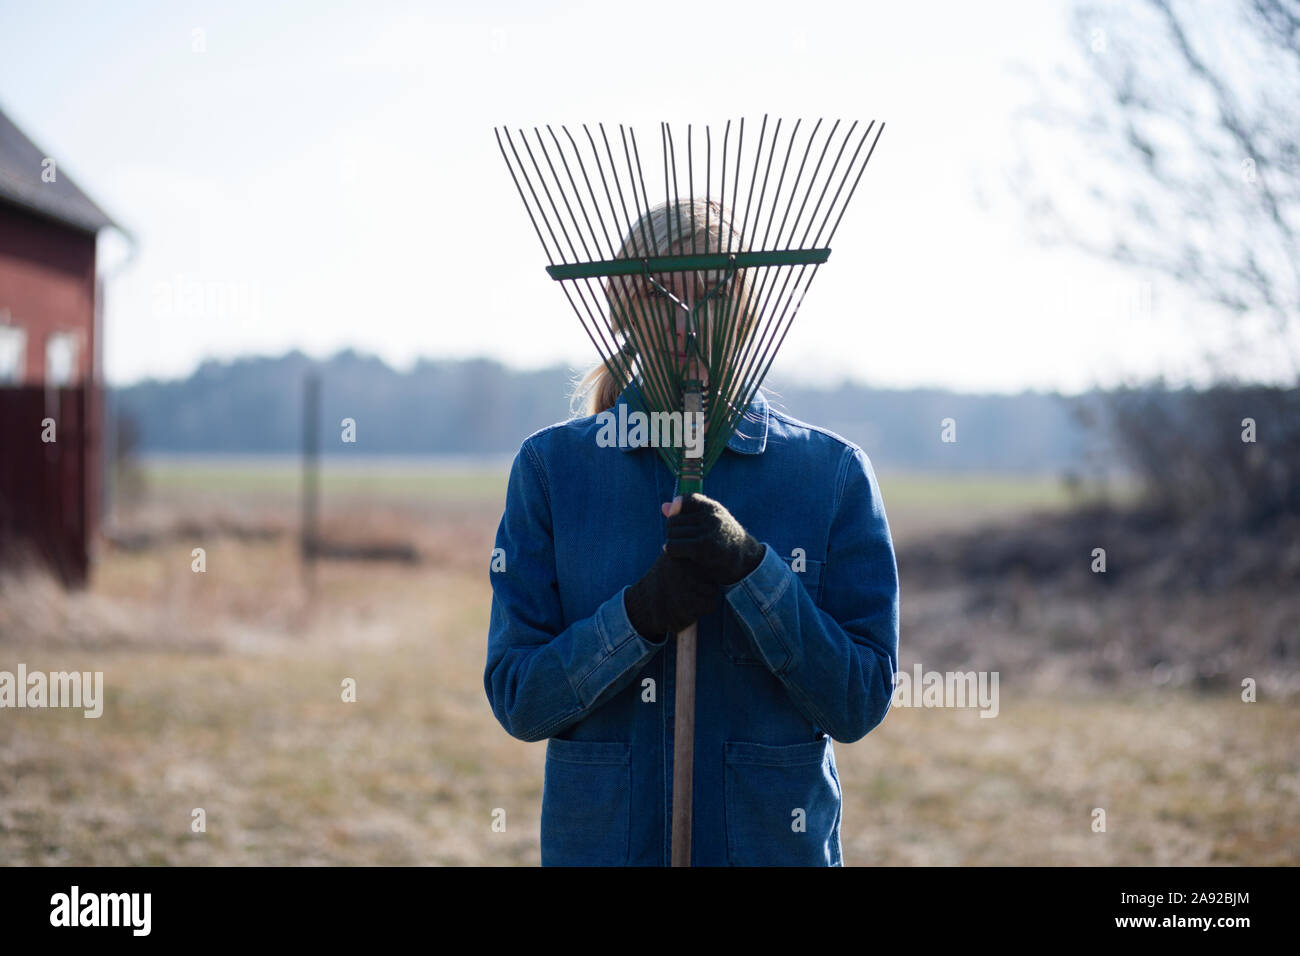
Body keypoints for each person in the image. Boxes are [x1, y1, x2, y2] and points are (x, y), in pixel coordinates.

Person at [484, 197, 899, 866]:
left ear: (749, 307)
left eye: (710, 293)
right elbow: (520, 699)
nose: (687, 321)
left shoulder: (830, 476)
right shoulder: (554, 471)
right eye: (658, 293)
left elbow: (857, 700)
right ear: (622, 309)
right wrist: (639, 616)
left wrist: (753, 573)